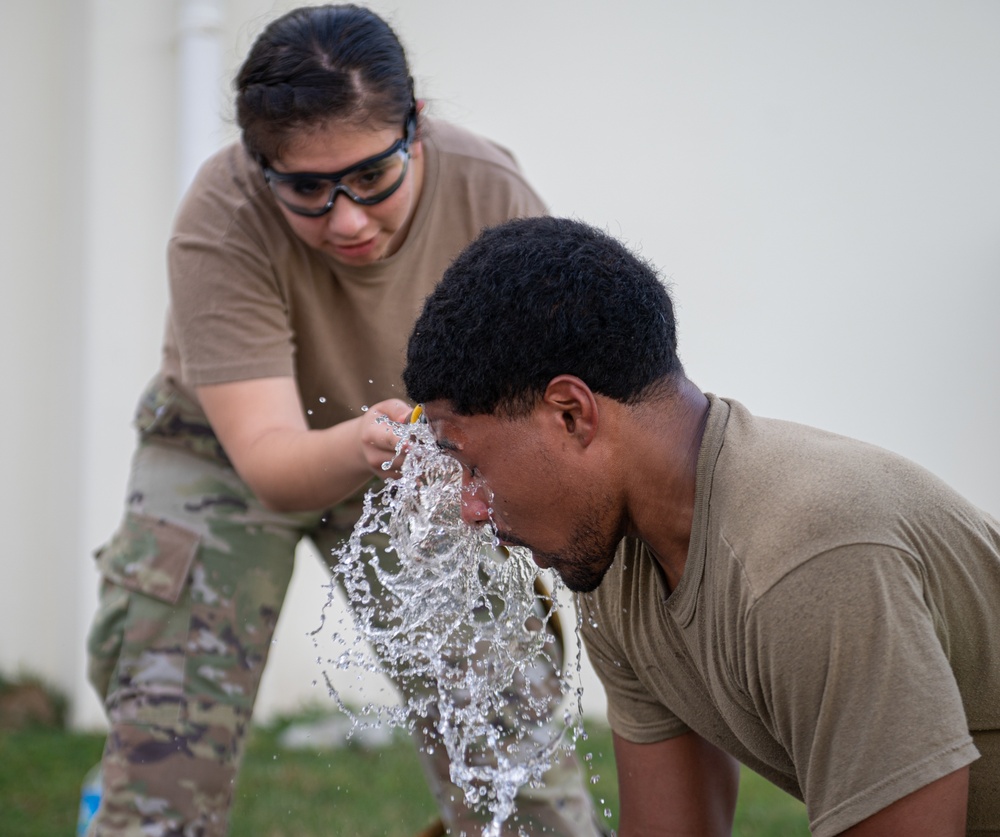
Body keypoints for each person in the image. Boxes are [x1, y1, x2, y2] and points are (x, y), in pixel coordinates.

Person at [83, 7, 602, 836]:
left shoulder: (490, 191)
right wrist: (361, 441)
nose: (348, 218)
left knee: (506, 723)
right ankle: (132, 792)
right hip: (221, 456)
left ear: (415, 127)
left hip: (420, 451)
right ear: (259, 165)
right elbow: (269, 460)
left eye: (371, 176)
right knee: (166, 745)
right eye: (307, 189)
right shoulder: (221, 214)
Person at [402, 215, 1000, 836]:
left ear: (571, 414)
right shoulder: (615, 560)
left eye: (472, 465)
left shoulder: (807, 558)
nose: (469, 507)